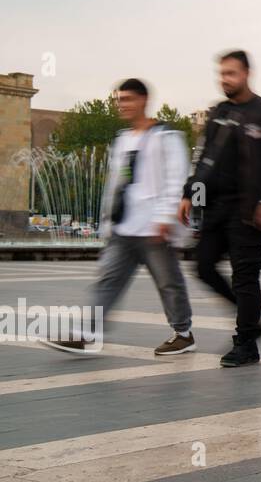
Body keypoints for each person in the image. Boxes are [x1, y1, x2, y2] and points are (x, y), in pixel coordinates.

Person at [41, 79, 195, 356]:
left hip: (153, 227)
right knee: (107, 279)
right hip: (125, 226)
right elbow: (115, 183)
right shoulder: (123, 139)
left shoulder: (167, 137)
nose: (121, 105)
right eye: (118, 100)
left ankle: (183, 332)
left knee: (168, 281)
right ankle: (87, 333)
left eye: (127, 99)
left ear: (143, 101)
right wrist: (108, 221)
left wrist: (164, 218)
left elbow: (176, 179)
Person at [179, 50, 261, 368]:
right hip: (217, 207)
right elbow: (204, 158)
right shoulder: (218, 113)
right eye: (221, 74)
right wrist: (190, 193)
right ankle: (254, 324)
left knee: (245, 276)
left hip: (250, 210)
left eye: (231, 73)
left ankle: (246, 343)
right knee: (202, 265)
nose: (225, 79)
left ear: (246, 74)